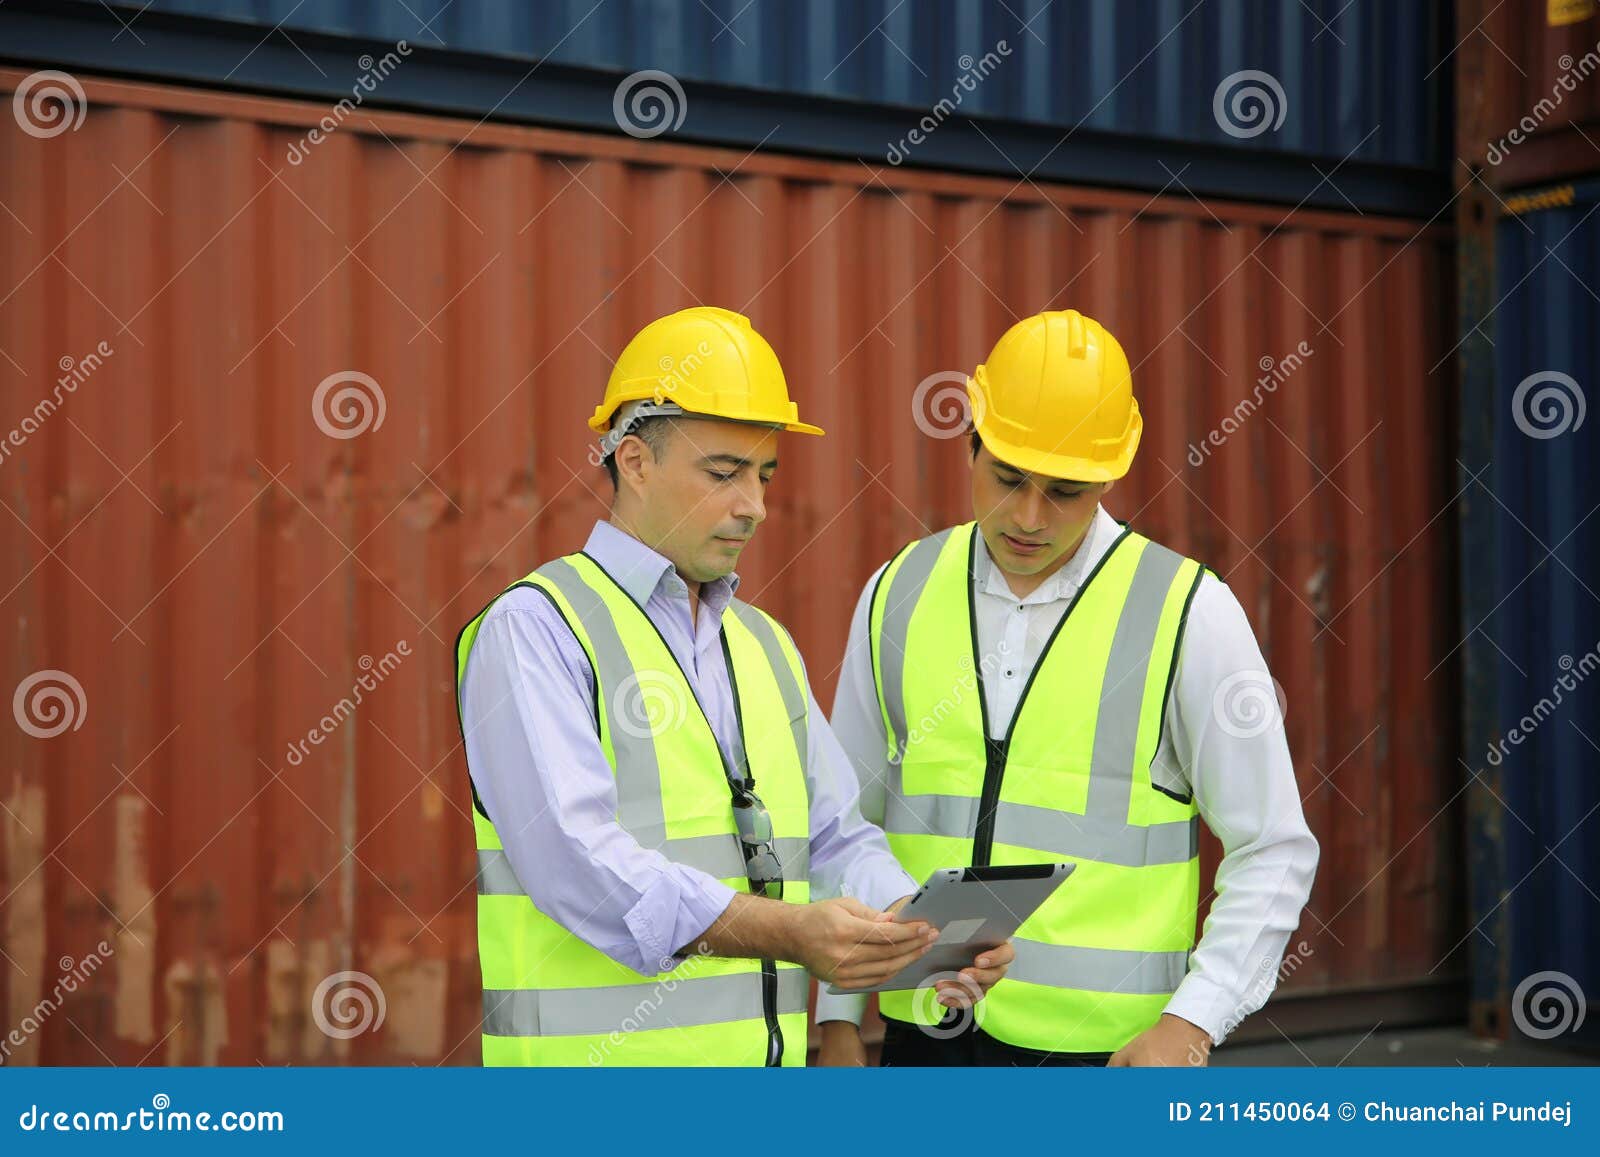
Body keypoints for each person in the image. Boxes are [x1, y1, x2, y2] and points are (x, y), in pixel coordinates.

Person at [454, 306, 1014, 1066]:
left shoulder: (763, 646)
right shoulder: (535, 630)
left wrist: (918, 930)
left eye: (764, 475)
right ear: (633, 460)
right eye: (723, 473)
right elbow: (575, 862)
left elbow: (832, 836)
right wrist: (790, 931)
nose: (753, 504)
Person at [814, 309, 1319, 1067]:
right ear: (971, 440)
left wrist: (1192, 1021)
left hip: (1106, 1062)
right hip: (923, 1044)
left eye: (1066, 491)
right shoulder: (900, 591)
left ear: (1110, 476)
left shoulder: (1188, 613)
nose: (1027, 516)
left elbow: (1272, 846)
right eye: (1008, 477)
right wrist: (839, 1022)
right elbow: (844, 822)